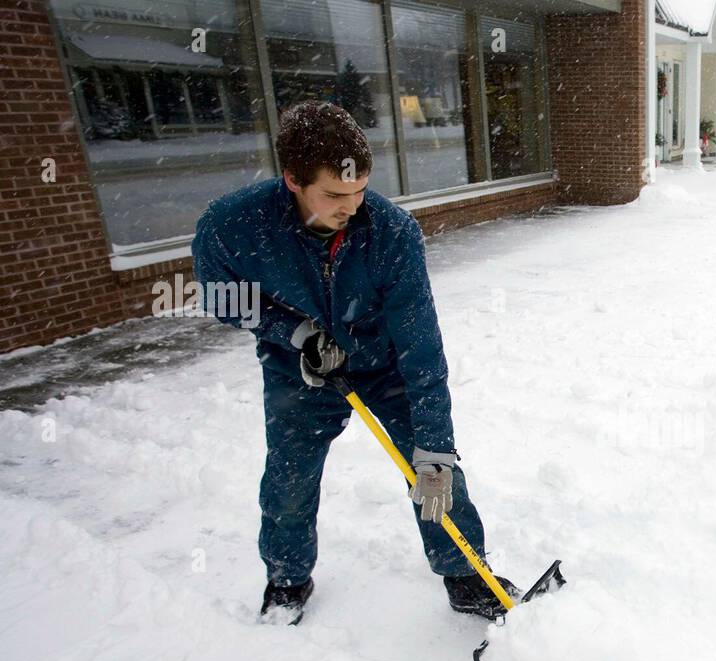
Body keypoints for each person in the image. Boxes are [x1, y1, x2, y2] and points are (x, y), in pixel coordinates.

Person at [191, 101, 516, 624]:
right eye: (336, 195)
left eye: (361, 189)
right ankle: (287, 576)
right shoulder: (232, 227)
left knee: (432, 468)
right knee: (290, 477)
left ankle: (463, 572)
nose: (354, 205)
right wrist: (295, 334)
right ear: (293, 180)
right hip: (299, 368)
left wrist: (434, 445)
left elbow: (421, 344)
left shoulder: (391, 233)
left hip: (384, 364)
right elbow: (225, 298)